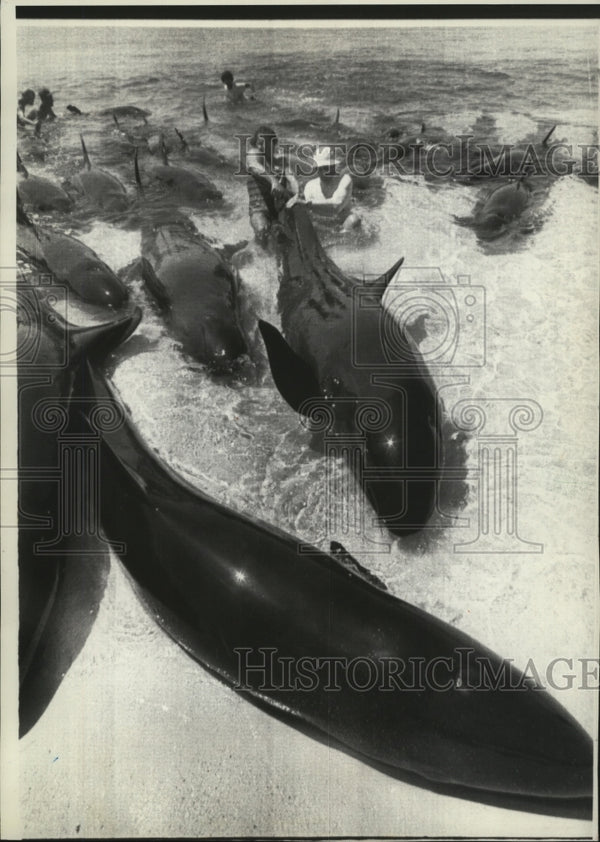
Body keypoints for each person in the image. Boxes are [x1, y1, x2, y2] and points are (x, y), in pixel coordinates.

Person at [245, 125, 299, 248]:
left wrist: (296, 195)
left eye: (265, 143)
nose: (261, 147)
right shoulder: (253, 154)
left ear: (273, 143)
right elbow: (254, 166)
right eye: (259, 143)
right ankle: (256, 252)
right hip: (259, 210)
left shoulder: (281, 161)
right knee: (262, 229)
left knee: (282, 235)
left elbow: (292, 179)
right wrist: (273, 180)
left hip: (279, 210)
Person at [300, 146, 361, 231]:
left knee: (354, 220)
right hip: (321, 225)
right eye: (319, 168)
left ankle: (345, 237)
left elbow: (336, 207)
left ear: (334, 166)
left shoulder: (345, 180)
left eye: (326, 168)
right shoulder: (310, 186)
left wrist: (306, 203)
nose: (323, 172)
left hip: (342, 223)